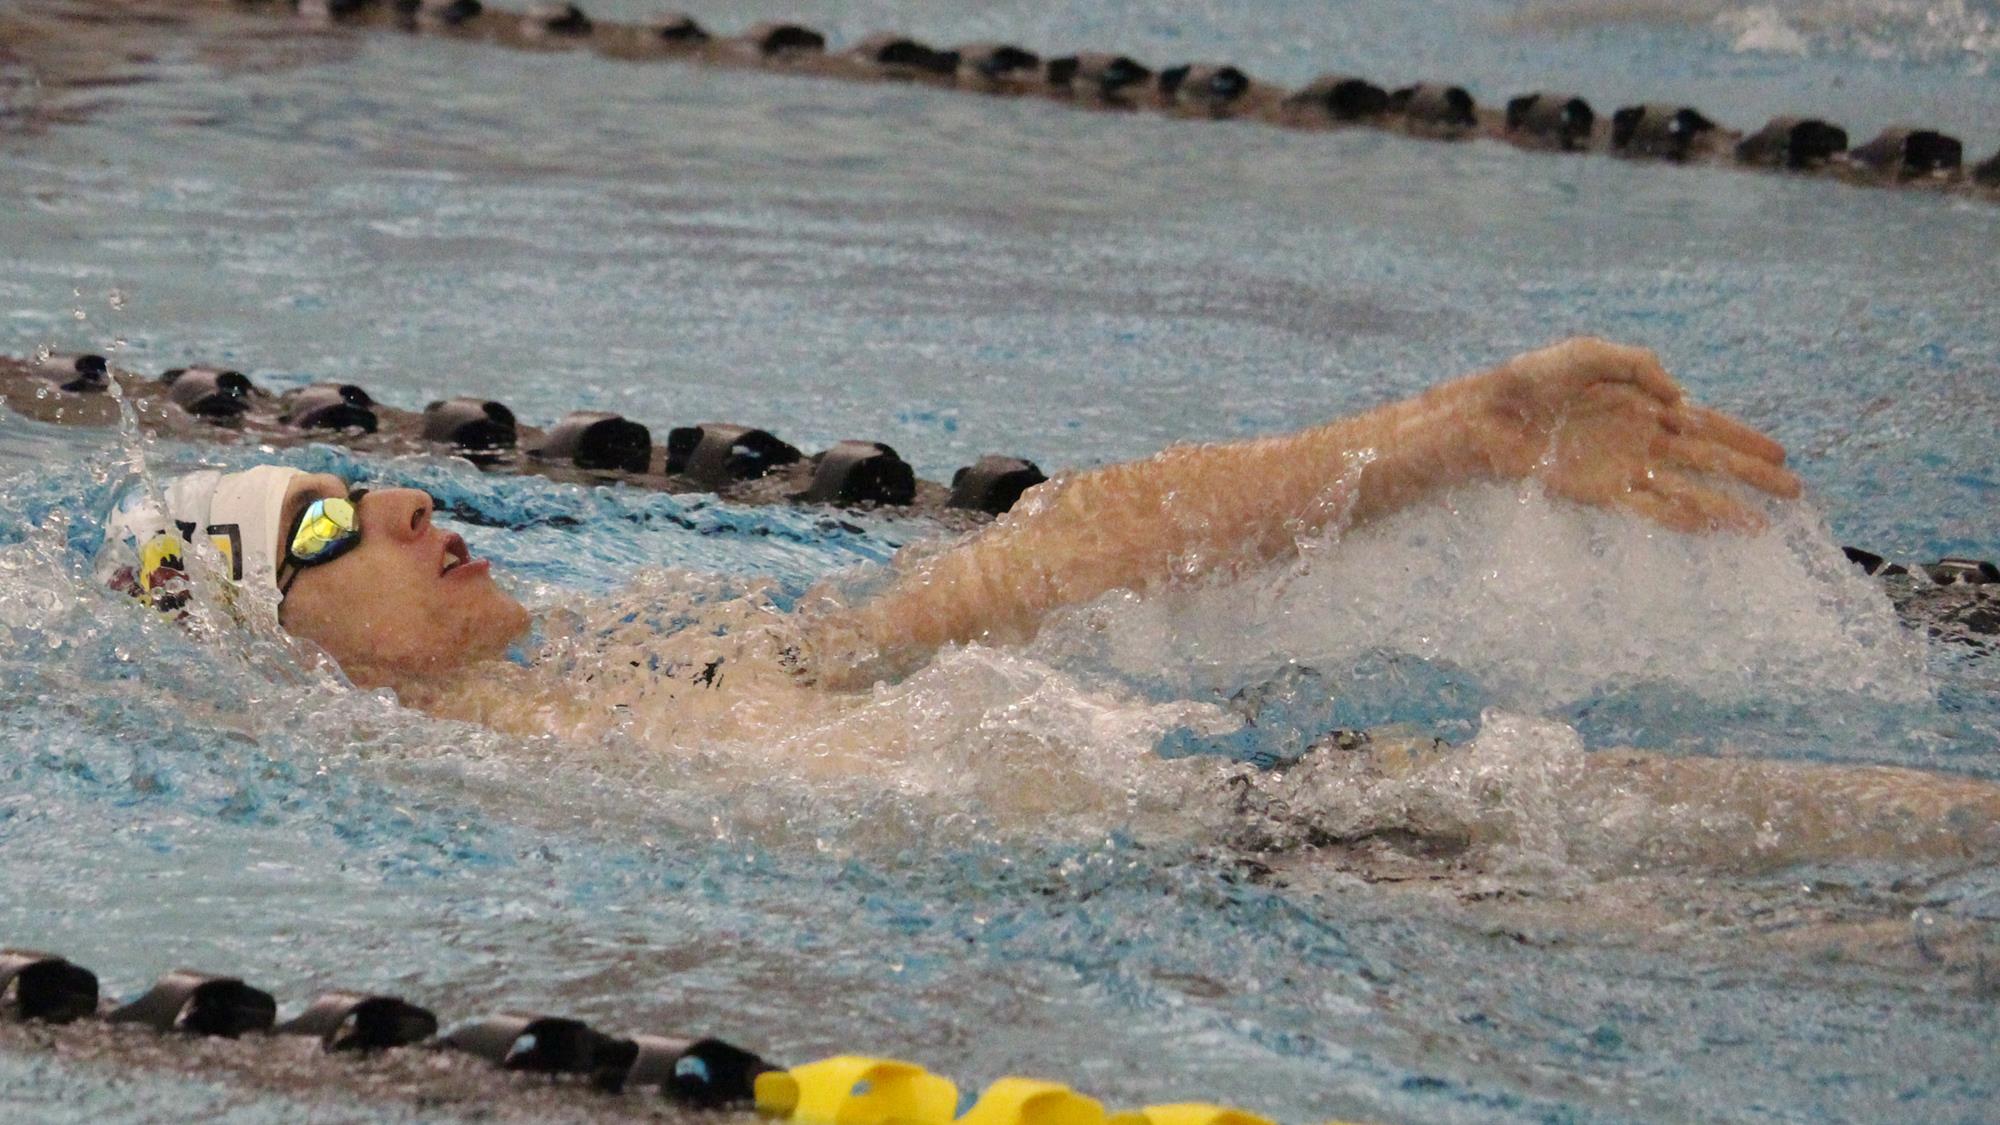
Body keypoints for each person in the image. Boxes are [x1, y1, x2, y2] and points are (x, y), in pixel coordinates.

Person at [94, 336, 2000, 868]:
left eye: (373, 475)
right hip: (1305, 858)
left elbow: (1046, 555)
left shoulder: (646, 658)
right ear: (272, 649)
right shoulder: (469, 814)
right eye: (329, 529)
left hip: (1328, 816)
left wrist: (1459, 430)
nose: (409, 496)